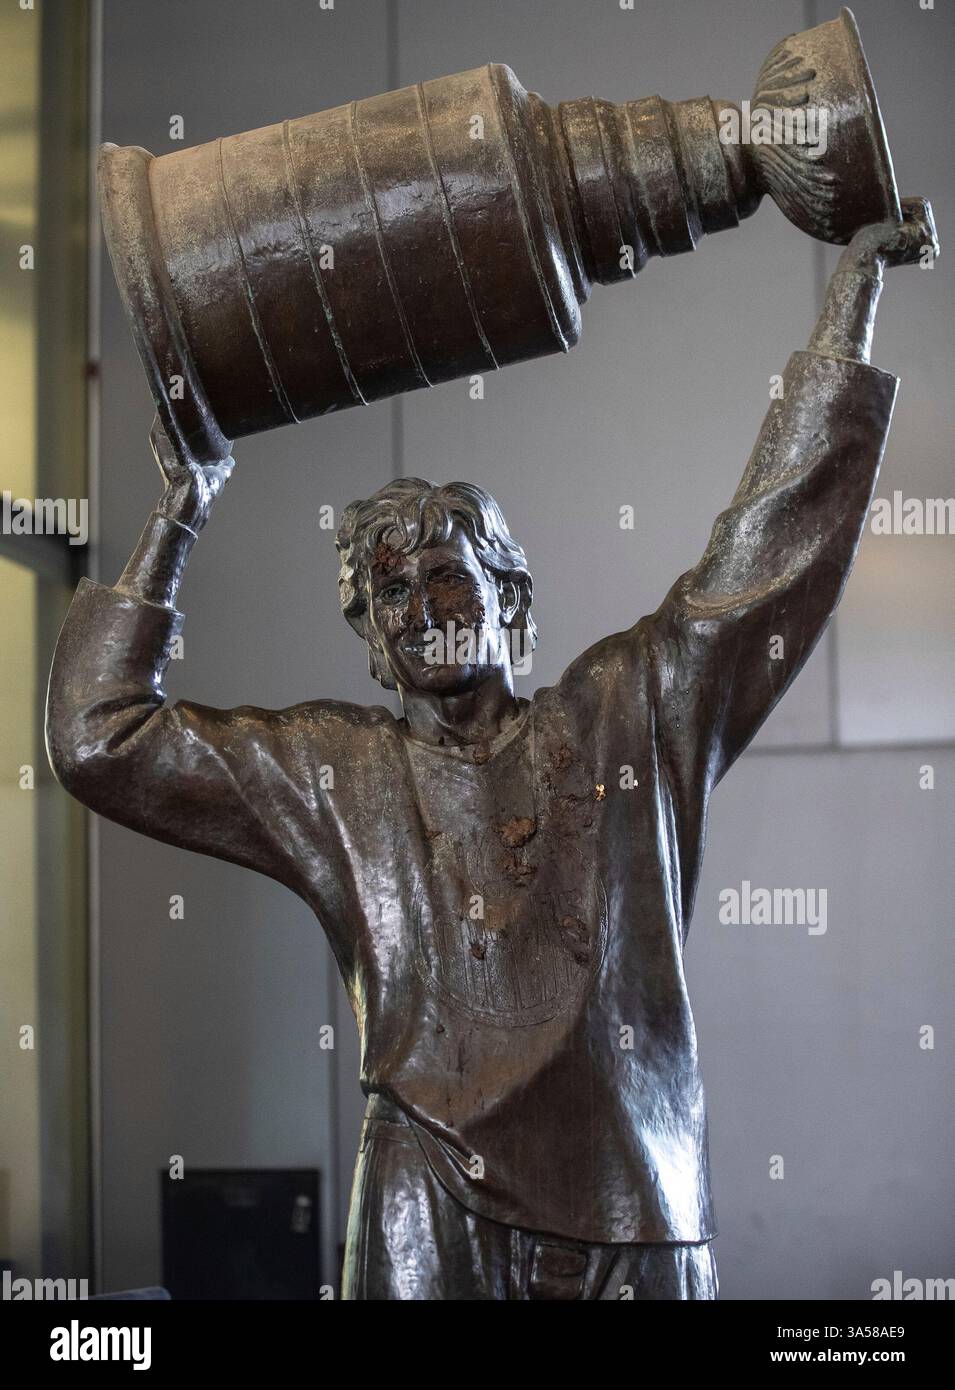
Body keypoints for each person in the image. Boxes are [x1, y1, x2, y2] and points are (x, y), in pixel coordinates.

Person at [46, 199, 937, 1300]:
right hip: (426, 1198)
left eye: (445, 575)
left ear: (510, 596)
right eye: (389, 593)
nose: (419, 608)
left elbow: (769, 553)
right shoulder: (342, 770)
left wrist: (846, 308)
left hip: (632, 1199)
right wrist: (177, 511)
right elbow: (101, 737)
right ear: (370, 641)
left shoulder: (626, 707)